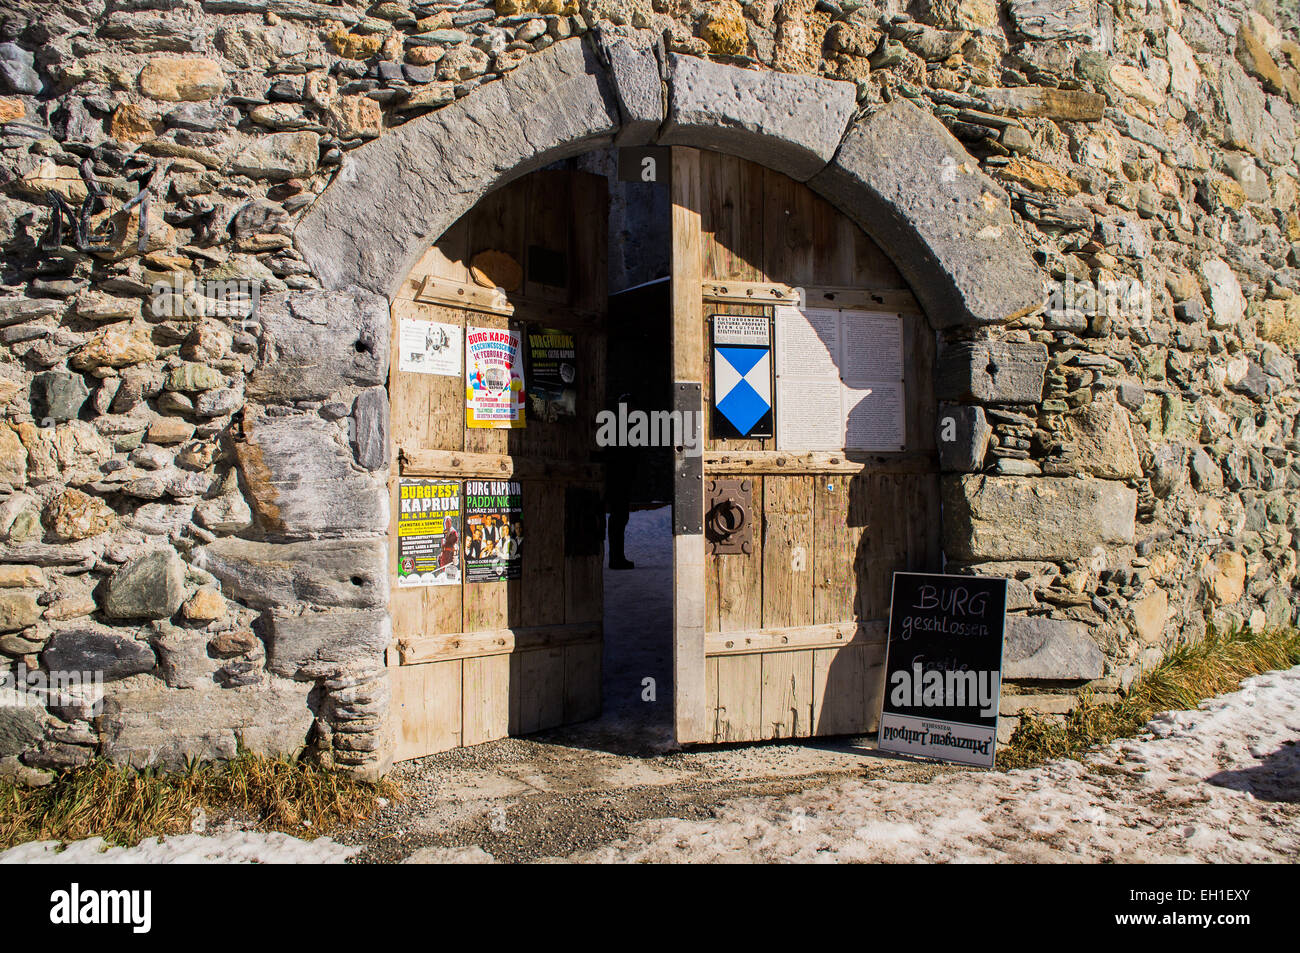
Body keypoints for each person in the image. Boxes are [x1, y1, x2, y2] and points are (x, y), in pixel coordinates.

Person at [606, 391, 636, 570]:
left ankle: (617, 556)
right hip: (618, 478)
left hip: (620, 477)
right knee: (619, 517)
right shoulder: (620, 427)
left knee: (619, 517)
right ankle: (616, 558)